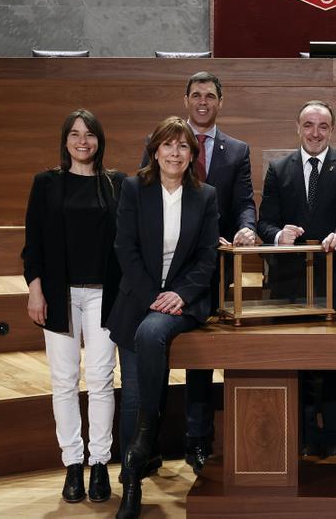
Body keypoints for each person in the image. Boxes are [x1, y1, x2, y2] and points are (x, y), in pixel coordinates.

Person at [107, 116, 219, 519]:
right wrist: (152, 296)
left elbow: (207, 257)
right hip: (137, 300)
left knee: (152, 332)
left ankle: (142, 445)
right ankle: (131, 480)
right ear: (155, 151)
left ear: (192, 155)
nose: (175, 153)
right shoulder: (134, 189)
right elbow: (125, 248)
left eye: (183, 146)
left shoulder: (205, 196)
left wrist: (179, 295)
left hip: (183, 303)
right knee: (133, 396)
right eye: (168, 145)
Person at [22, 109, 125, 504]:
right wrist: (35, 290)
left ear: (100, 140)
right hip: (60, 294)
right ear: (65, 141)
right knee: (64, 381)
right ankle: (72, 464)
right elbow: (33, 244)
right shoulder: (46, 183)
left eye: (90, 134)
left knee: (100, 379)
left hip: (103, 294)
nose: (83, 141)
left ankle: (99, 463)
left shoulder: (116, 183)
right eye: (75, 135)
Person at [257, 99, 336, 457]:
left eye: (322, 126)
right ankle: (299, 436)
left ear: (331, 130)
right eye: (308, 125)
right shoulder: (278, 168)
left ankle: (333, 437)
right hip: (288, 283)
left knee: (335, 364)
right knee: (293, 363)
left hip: (335, 278)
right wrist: (278, 235)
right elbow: (264, 221)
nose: (315, 133)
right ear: (297, 128)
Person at [177, 71, 257, 474]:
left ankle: (199, 440)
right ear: (186, 100)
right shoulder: (166, 142)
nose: (203, 102)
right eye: (196, 95)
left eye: (210, 95)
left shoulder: (236, 150)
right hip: (169, 268)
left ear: (220, 102)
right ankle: (155, 442)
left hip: (215, 267)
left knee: (203, 356)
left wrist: (247, 228)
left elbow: (244, 202)